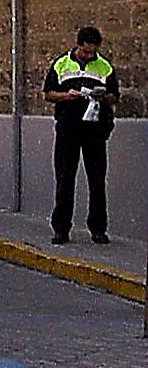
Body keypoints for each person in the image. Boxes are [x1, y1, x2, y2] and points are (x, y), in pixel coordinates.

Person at [43, 26, 119, 245]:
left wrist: (102, 97)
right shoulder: (61, 64)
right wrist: (67, 96)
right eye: (85, 51)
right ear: (77, 46)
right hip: (68, 130)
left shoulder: (104, 67)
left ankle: (98, 229)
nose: (89, 55)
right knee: (65, 180)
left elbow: (115, 96)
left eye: (92, 52)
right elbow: (48, 93)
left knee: (97, 181)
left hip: (95, 132)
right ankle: (61, 228)